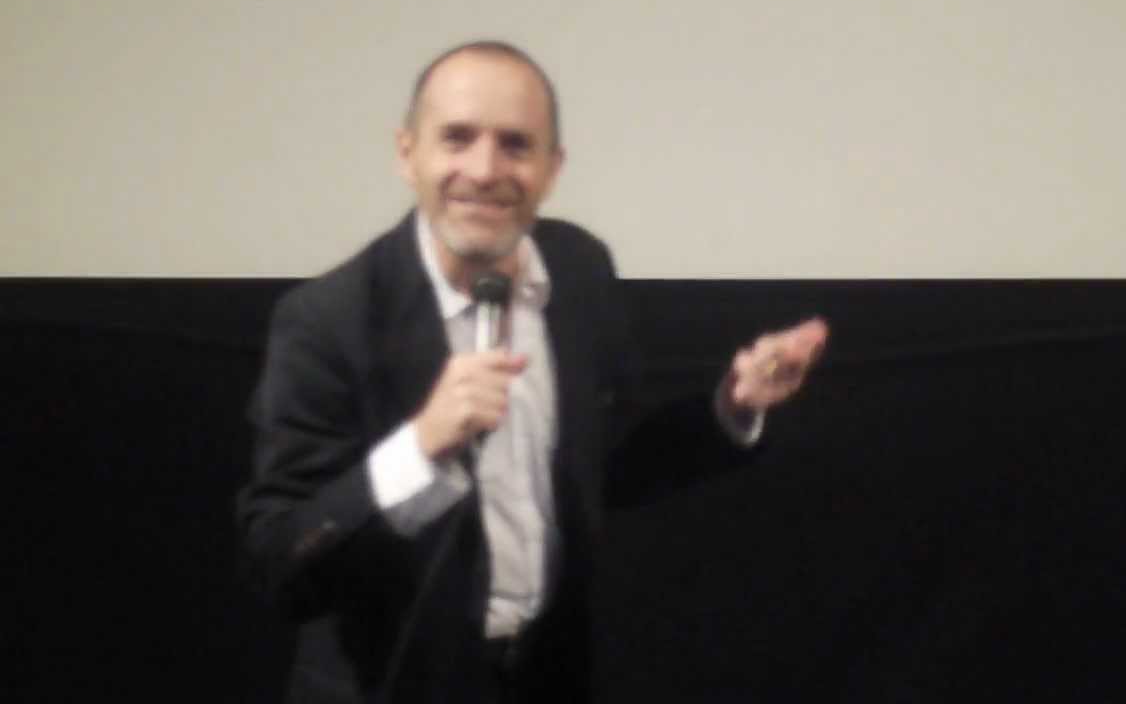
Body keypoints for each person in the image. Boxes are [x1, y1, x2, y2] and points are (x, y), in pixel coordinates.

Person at [235, 40, 827, 703]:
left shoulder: (579, 271)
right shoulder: (327, 321)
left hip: (545, 677)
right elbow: (279, 562)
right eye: (457, 138)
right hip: (391, 685)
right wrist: (419, 447)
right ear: (408, 154)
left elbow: (608, 466)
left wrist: (733, 407)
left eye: (516, 145)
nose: (485, 170)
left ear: (552, 168)